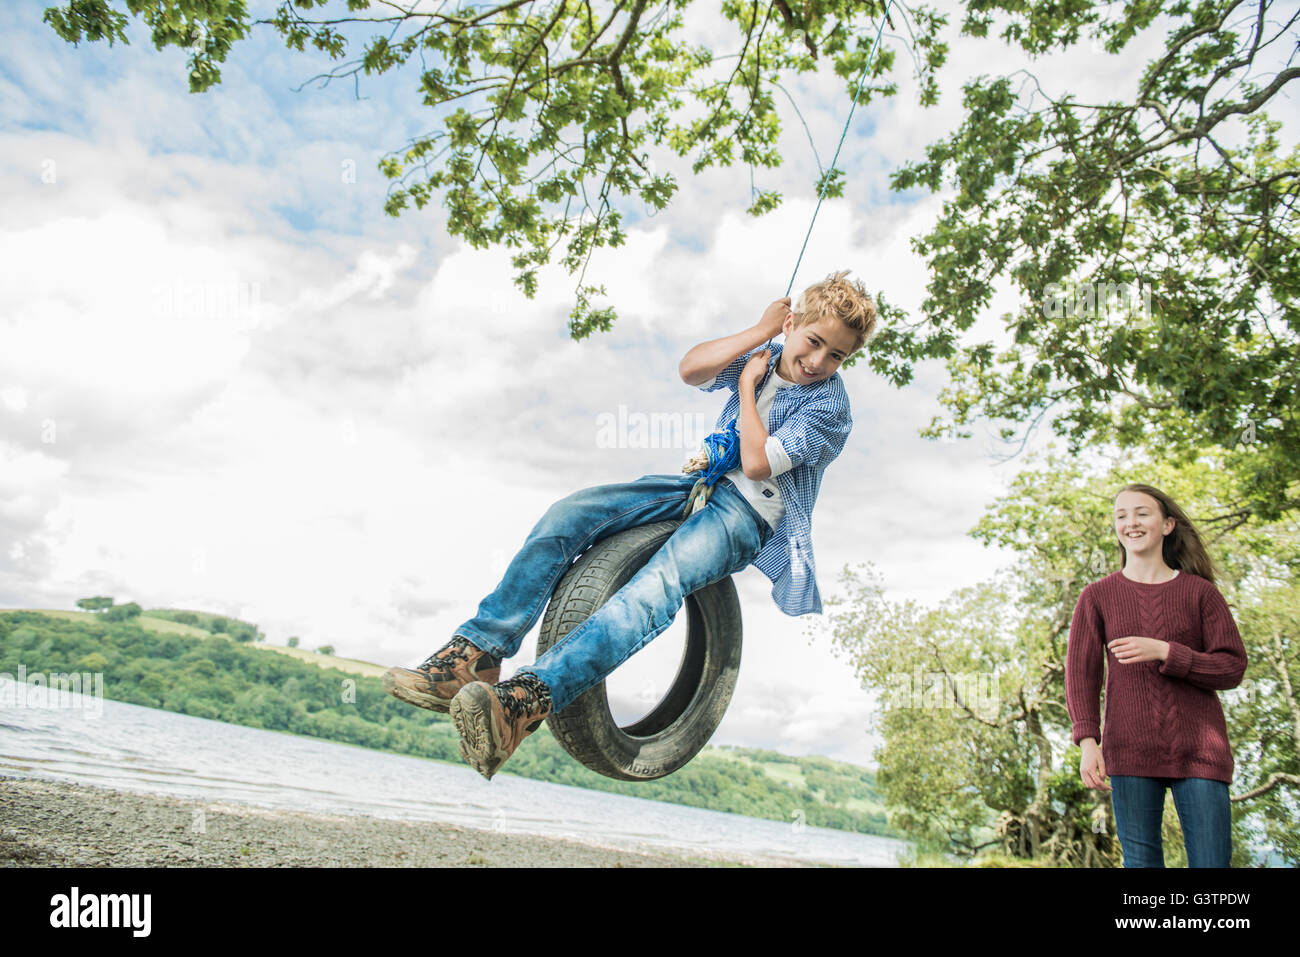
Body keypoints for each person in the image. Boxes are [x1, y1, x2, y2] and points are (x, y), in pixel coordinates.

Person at [383, 270, 878, 779]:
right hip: (700, 483)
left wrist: (749, 389)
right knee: (571, 514)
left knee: (659, 582)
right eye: (814, 342)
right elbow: (691, 369)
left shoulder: (830, 407)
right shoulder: (768, 353)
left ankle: (523, 702)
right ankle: (476, 653)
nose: (818, 362)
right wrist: (759, 332)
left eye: (837, 355)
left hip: (749, 513)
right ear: (792, 323)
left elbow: (755, 463)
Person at [1065, 483, 1248, 867]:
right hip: (1129, 750)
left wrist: (1166, 652)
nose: (1130, 522)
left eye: (1141, 513)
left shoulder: (1201, 594)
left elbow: (1232, 667)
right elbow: (1082, 677)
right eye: (1121, 515)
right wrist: (1087, 742)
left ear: (1167, 525)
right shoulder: (1096, 596)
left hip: (1201, 752)